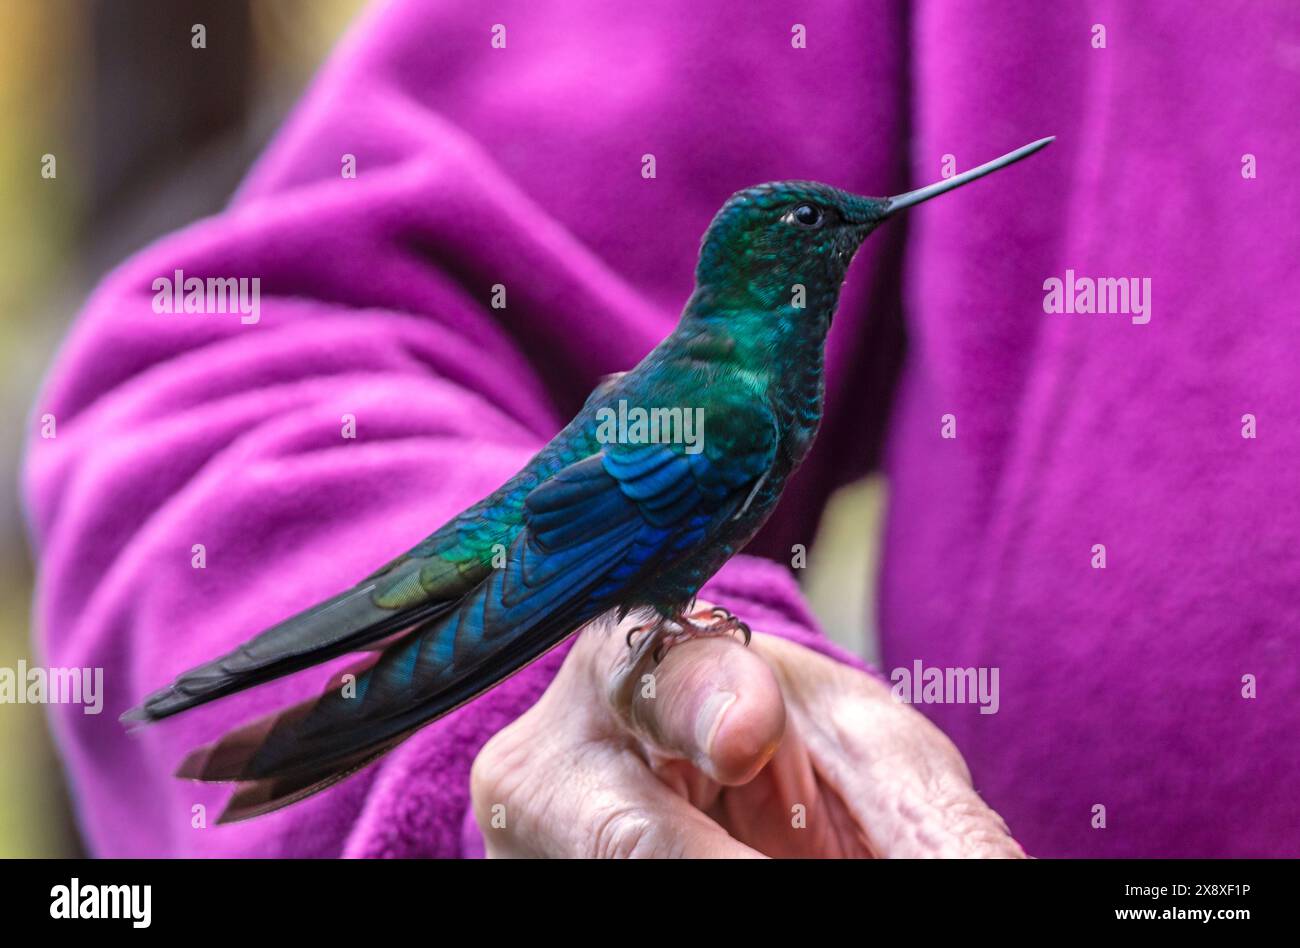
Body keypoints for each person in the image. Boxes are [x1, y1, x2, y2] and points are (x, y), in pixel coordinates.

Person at [25, 0, 1296, 857]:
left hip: (583, 542)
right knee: (419, 625)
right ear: (771, 263)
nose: (852, 229)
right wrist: (548, 752)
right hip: (561, 546)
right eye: (817, 229)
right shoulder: (738, 401)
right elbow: (242, 360)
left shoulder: (751, 376)